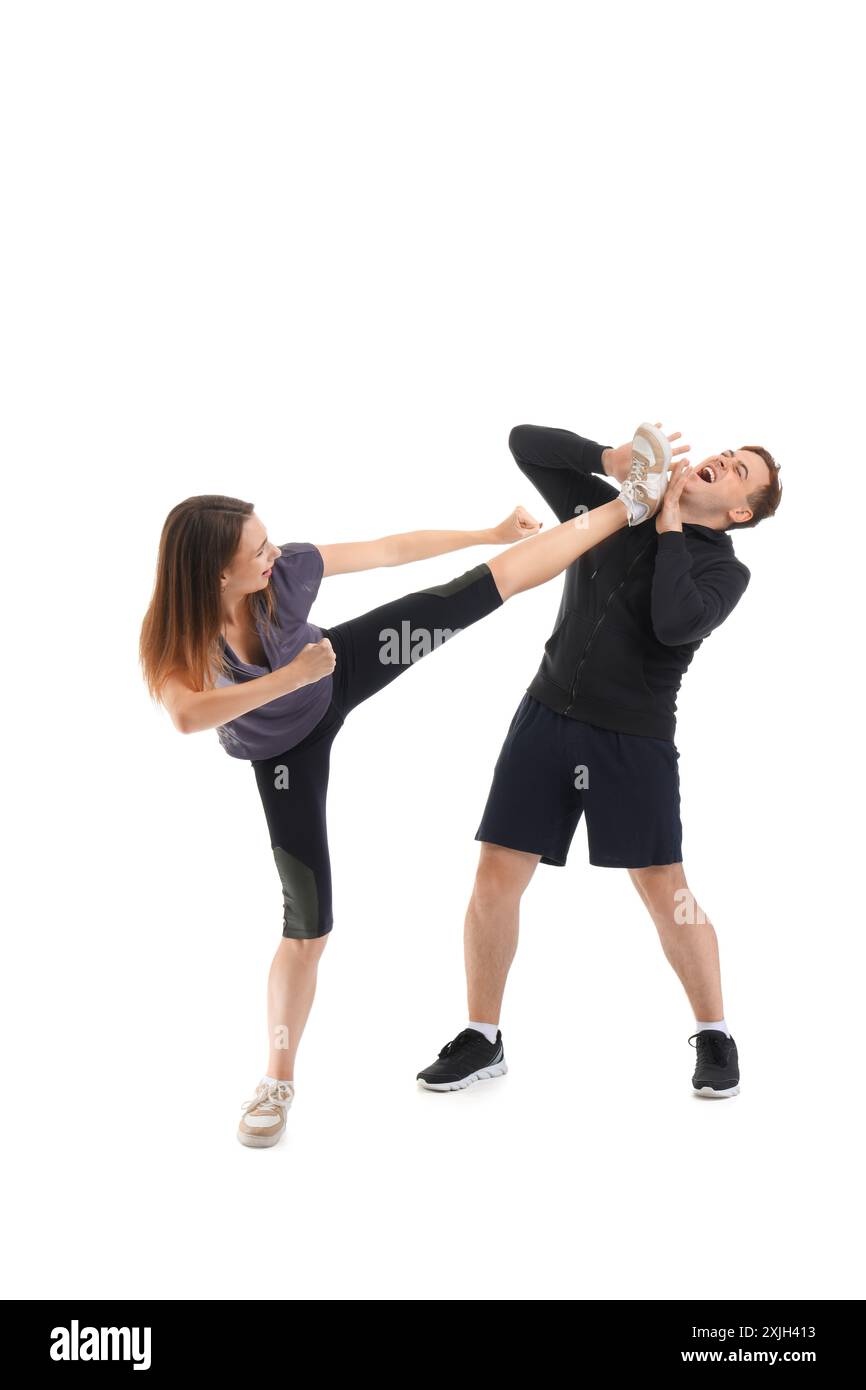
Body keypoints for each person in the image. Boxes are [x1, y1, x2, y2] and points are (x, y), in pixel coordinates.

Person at [139, 422, 682, 1147]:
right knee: (308, 927)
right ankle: (276, 1081)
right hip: (285, 754)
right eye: (258, 551)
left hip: (340, 666)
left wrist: (485, 534)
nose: (275, 554)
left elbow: (387, 550)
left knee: (474, 593)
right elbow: (185, 715)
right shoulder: (179, 635)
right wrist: (284, 681)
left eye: (269, 541)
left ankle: (627, 506)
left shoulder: (286, 573)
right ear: (219, 577)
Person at [415, 419, 782, 1101]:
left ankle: (715, 1032)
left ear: (739, 512)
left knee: (665, 890)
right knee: (495, 878)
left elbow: (674, 622)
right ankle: (482, 1036)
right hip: (545, 717)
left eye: (737, 471)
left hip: (631, 739)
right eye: (724, 454)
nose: (719, 461)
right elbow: (526, 442)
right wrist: (613, 463)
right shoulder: (615, 513)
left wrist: (668, 524)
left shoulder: (725, 570)